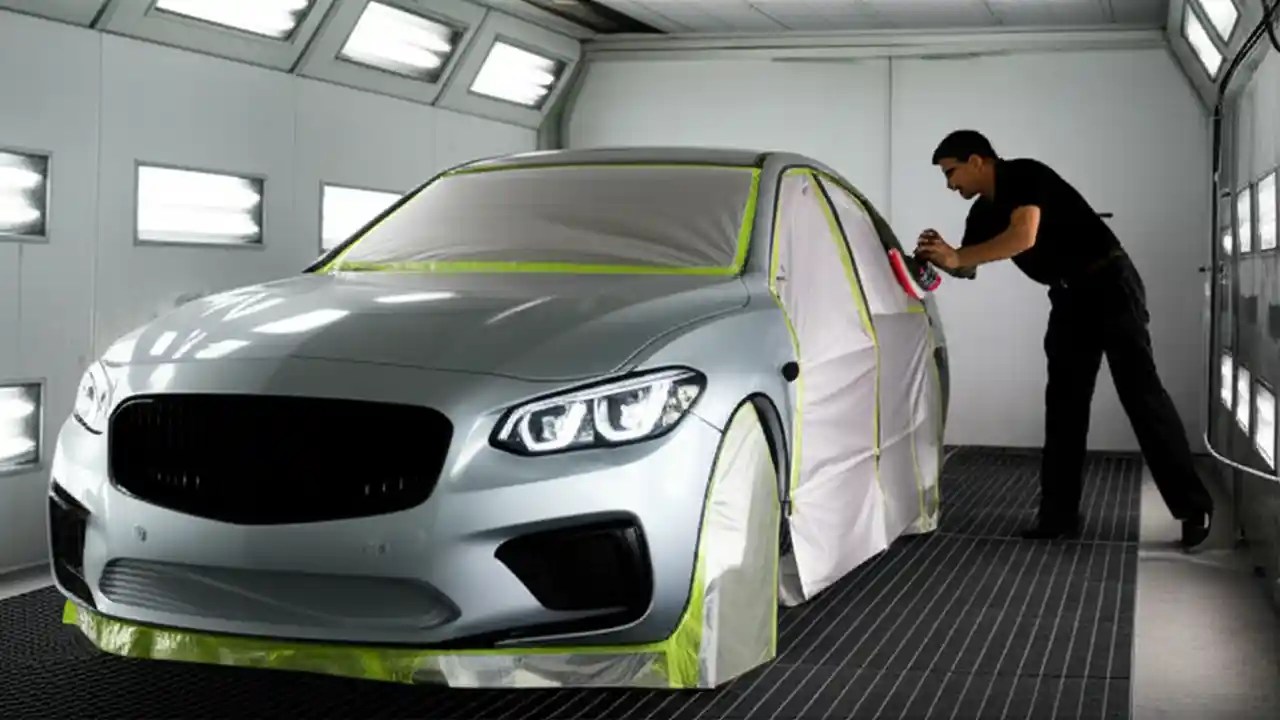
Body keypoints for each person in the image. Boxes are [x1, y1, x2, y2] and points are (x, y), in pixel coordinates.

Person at [914, 129, 1214, 551]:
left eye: (952, 172)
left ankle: (1193, 506)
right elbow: (968, 266)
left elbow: (1024, 236)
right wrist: (935, 257)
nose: (950, 184)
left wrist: (959, 256)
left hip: (1110, 283)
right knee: (1064, 404)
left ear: (978, 160)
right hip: (1069, 297)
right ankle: (1058, 516)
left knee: (1141, 396)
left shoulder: (1024, 175)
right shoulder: (981, 214)